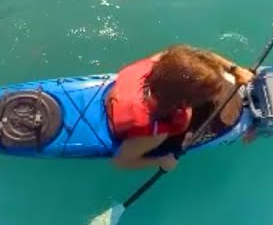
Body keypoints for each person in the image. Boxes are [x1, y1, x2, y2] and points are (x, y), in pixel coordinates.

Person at [106, 44, 255, 171]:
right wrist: (161, 161)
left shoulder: (155, 62)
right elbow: (121, 162)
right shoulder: (156, 133)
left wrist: (234, 69)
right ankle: (252, 130)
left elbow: (195, 54)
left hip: (118, 100)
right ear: (184, 104)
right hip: (137, 127)